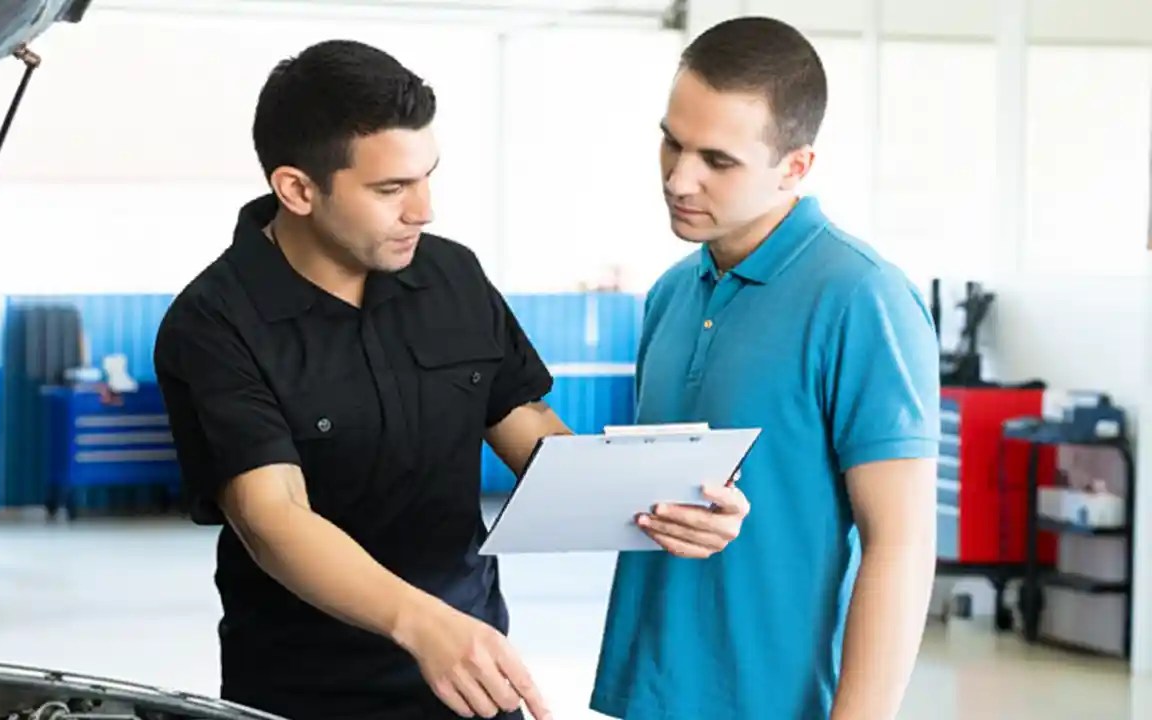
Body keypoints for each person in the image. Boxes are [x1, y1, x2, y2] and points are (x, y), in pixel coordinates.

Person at [153, 40, 747, 720]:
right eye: (391, 189)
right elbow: (272, 516)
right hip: (304, 695)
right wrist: (422, 624)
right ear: (297, 189)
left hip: (473, 681)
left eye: (427, 176)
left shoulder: (452, 277)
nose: (423, 209)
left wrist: (670, 503)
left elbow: (536, 436)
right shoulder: (214, 323)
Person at [589, 16, 940, 720]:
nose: (678, 178)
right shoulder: (670, 293)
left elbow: (900, 545)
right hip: (648, 694)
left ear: (795, 167)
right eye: (671, 141)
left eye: (717, 160)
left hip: (780, 701)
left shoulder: (861, 296)